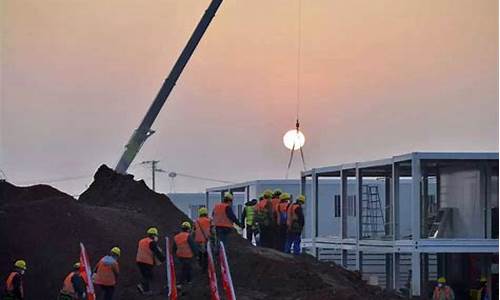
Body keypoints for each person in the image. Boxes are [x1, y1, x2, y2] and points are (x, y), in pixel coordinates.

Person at [136, 227, 166, 295]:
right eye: (156, 235)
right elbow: (157, 252)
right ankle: (141, 285)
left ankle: (146, 290)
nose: (156, 237)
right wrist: (163, 259)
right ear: (153, 235)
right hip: (147, 261)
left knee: (145, 275)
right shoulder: (151, 242)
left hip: (139, 260)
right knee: (148, 276)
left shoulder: (142, 240)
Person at [173, 222, 199, 288]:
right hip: (188, 255)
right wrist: (197, 255)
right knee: (187, 268)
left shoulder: (176, 237)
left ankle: (187, 281)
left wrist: (174, 254)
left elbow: (174, 247)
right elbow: (193, 246)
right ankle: (182, 282)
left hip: (179, 255)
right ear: (188, 229)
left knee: (186, 267)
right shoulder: (188, 236)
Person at [193, 207, 213, 272]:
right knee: (206, 254)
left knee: (200, 253)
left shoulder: (196, 221)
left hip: (198, 240)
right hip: (206, 240)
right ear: (206, 213)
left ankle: (200, 265)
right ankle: (205, 268)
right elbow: (212, 230)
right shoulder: (209, 220)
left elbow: (193, 231)